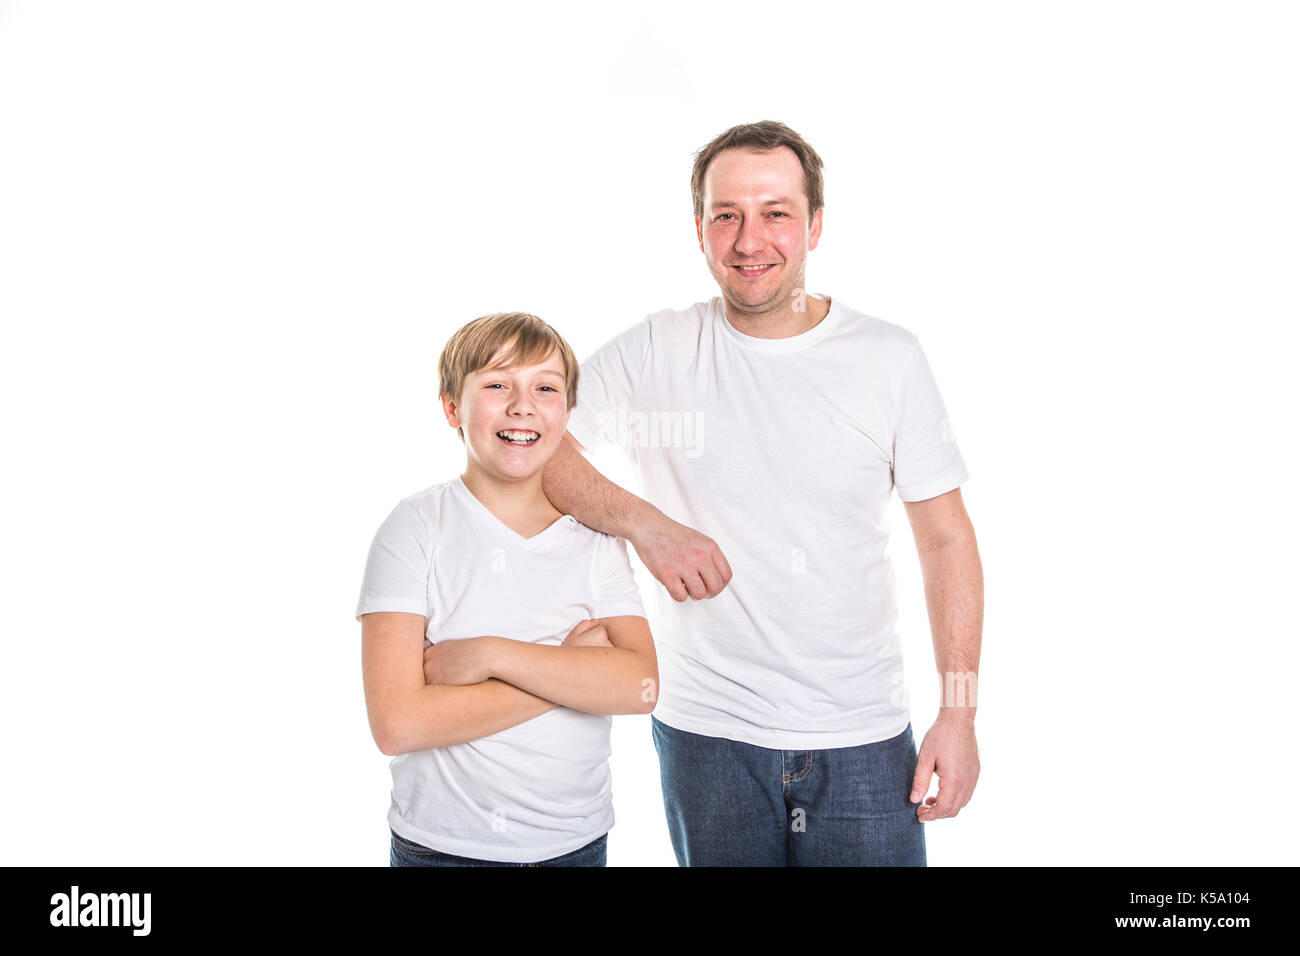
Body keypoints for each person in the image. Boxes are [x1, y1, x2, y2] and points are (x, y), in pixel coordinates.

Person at [541, 121, 983, 866]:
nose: (750, 241)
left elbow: (947, 540)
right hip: (708, 737)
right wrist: (646, 526)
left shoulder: (889, 358)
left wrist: (960, 715)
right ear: (700, 230)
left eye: (776, 212)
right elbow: (542, 449)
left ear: (814, 224)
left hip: (864, 740)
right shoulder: (659, 348)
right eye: (727, 215)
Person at [356, 311, 657, 867]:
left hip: (575, 846)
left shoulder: (595, 539)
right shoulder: (416, 528)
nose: (523, 405)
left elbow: (639, 686)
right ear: (452, 407)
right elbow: (399, 725)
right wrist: (567, 671)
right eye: (497, 385)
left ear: (567, 413)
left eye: (545, 388)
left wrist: (493, 656)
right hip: (443, 849)